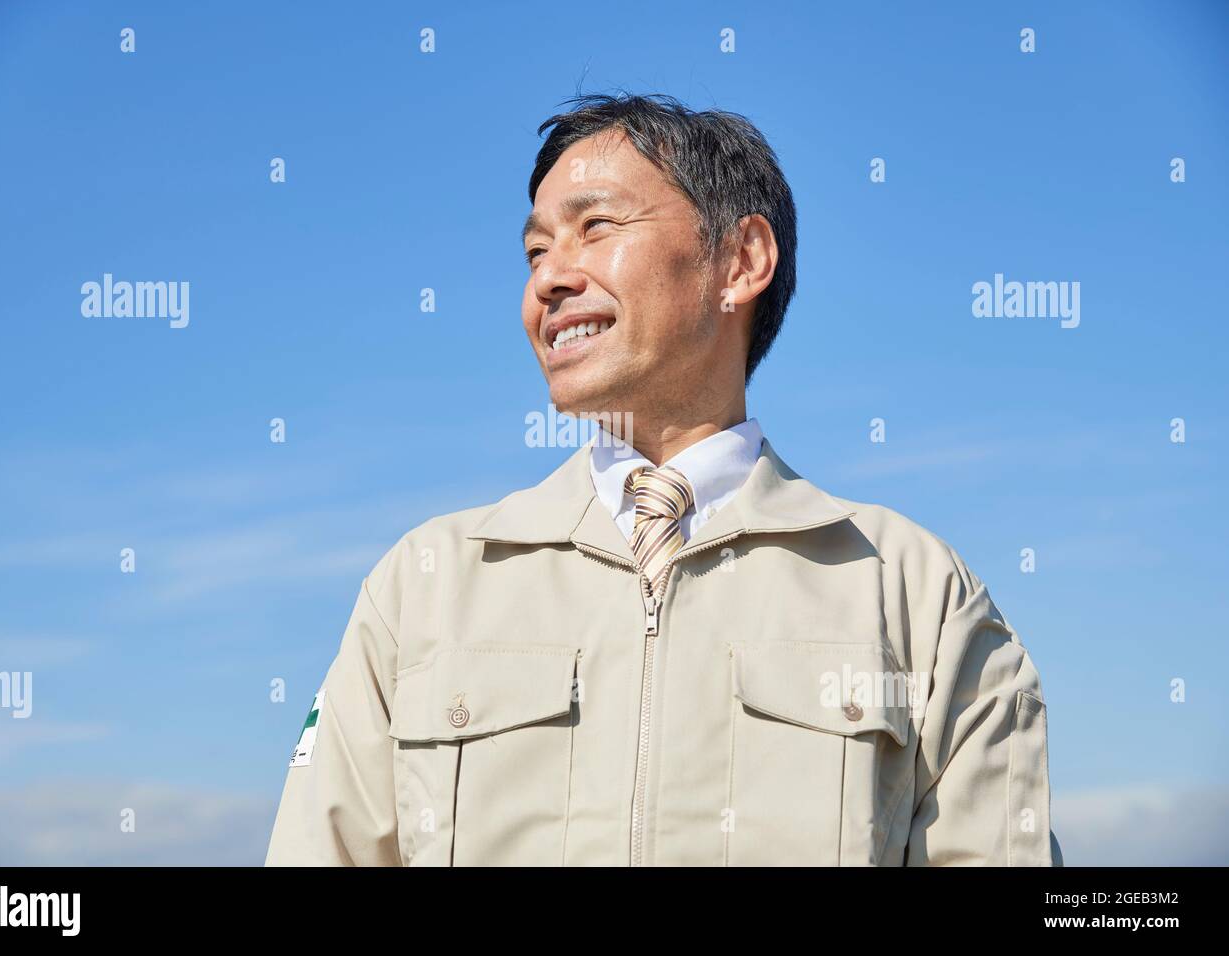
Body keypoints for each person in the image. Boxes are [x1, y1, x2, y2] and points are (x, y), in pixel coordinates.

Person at [265, 92, 1063, 866]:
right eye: (536, 250)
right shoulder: (422, 586)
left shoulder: (918, 596)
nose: (549, 279)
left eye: (595, 228)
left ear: (740, 261)